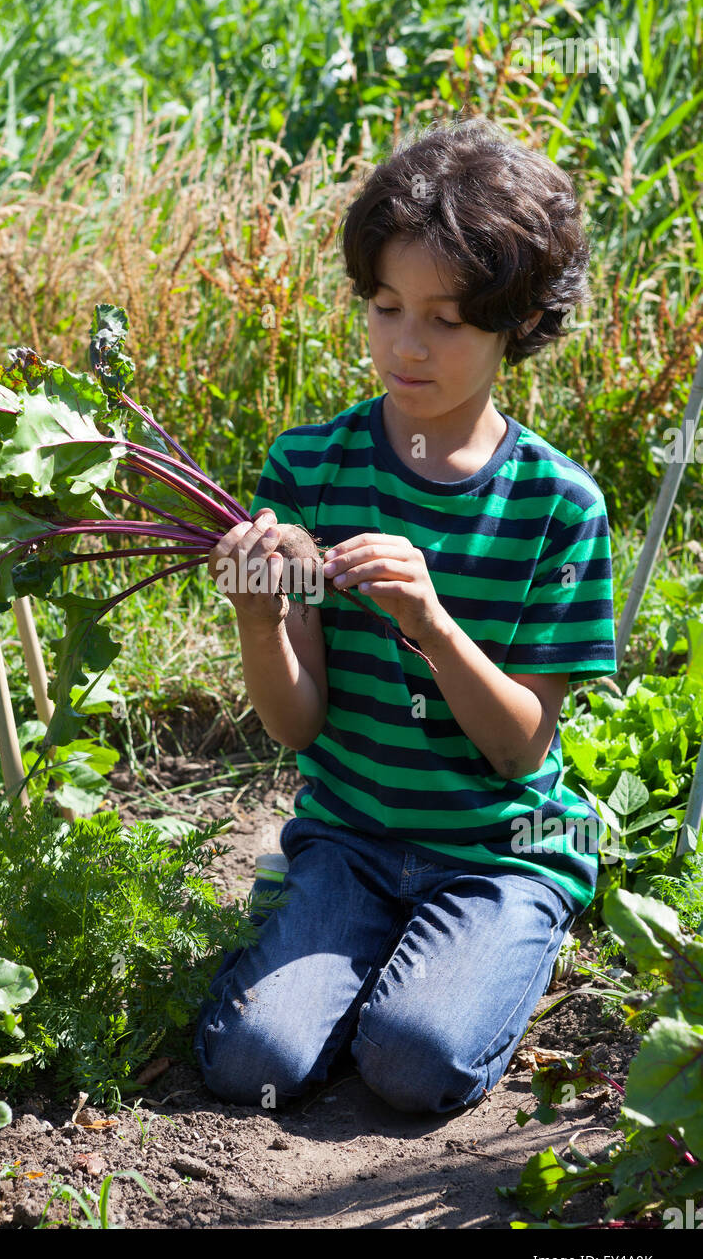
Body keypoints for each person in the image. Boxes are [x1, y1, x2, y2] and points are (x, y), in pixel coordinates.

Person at [192, 113, 617, 1115]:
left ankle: (513, 931)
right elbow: (296, 725)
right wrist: (261, 617)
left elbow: (518, 750)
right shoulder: (310, 468)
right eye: (385, 307)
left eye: (446, 319)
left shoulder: (557, 508)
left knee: (411, 1063)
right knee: (251, 1062)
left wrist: (429, 622)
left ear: (517, 323)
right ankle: (348, 934)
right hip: (350, 831)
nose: (405, 345)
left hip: (494, 848)